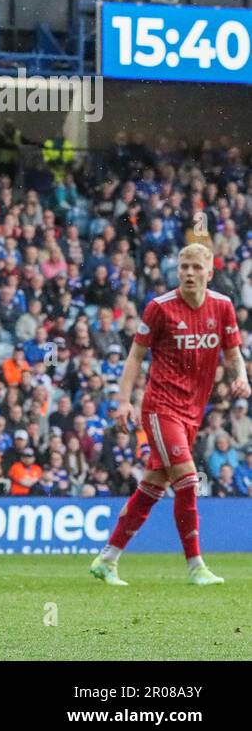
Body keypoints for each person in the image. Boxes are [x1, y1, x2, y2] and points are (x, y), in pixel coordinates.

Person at [90, 243, 248, 587]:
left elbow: (233, 353)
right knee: (189, 481)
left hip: (194, 412)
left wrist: (241, 378)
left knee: (152, 486)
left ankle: (107, 558)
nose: (189, 273)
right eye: (183, 267)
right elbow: (134, 357)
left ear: (210, 272)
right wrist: (124, 400)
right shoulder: (159, 308)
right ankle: (195, 566)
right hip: (161, 407)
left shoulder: (222, 307)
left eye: (195, 267)